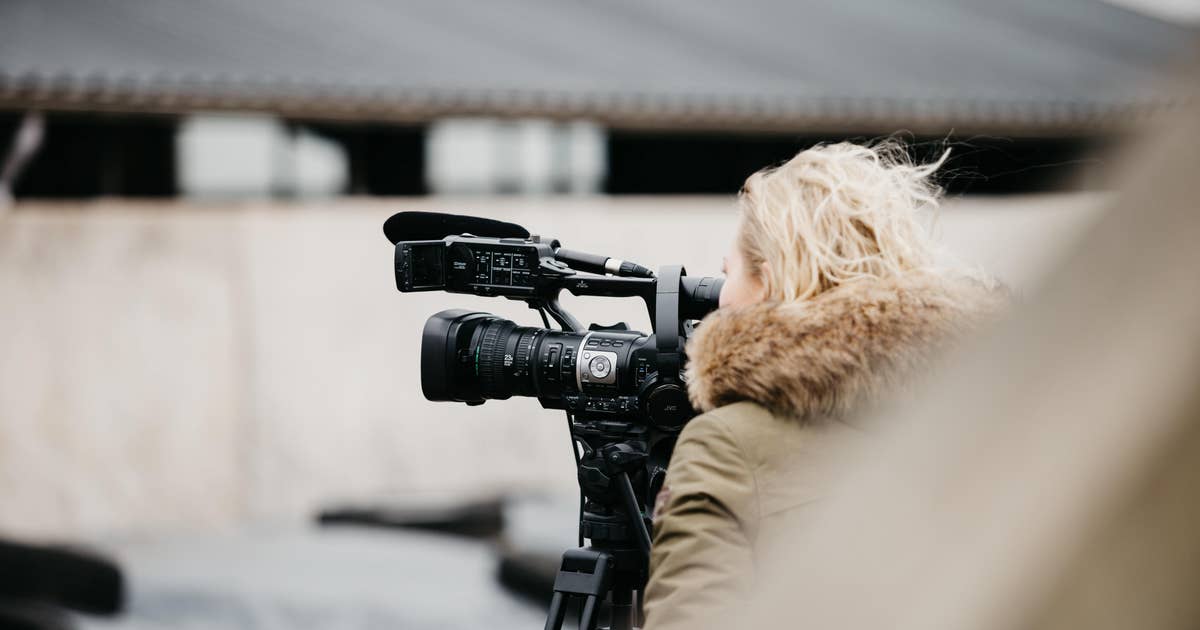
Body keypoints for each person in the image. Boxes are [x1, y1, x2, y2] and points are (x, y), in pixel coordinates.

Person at [642, 142, 1003, 630]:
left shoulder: (726, 445)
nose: (718, 297)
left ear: (766, 282)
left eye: (727, 274)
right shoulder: (983, 416)